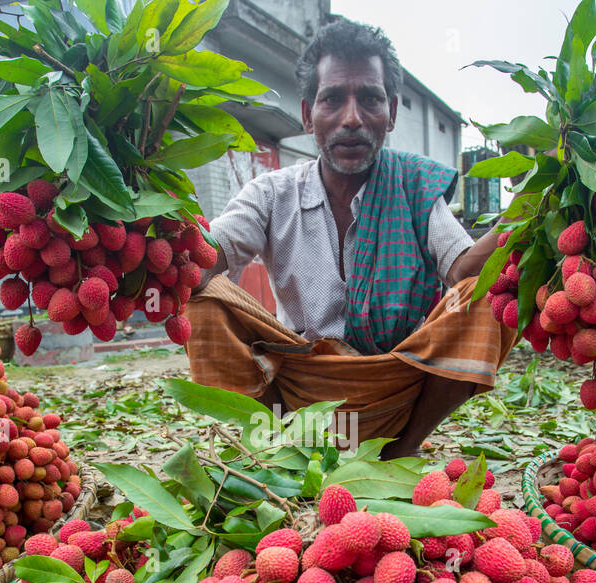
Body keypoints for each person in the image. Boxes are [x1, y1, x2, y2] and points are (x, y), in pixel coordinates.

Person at [186, 17, 510, 458]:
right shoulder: (271, 194)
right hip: (298, 392)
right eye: (333, 99)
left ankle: (403, 450)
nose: (352, 119)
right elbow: (205, 260)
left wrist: (533, 209)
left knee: (488, 293)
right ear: (308, 114)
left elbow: (465, 272)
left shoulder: (414, 186)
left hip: (396, 388)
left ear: (391, 112)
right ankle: (277, 443)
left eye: (370, 99)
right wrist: (139, 213)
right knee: (202, 300)